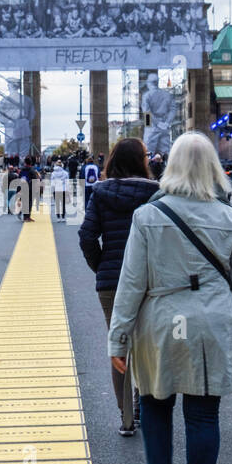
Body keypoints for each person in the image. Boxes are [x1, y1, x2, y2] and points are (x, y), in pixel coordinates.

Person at [107, 132, 232, 464]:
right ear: (212, 168)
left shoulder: (147, 217)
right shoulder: (230, 218)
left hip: (162, 319)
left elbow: (131, 283)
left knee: (157, 401)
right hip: (213, 321)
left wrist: (118, 338)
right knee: (203, 413)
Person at [79, 137, 159, 435]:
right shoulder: (157, 194)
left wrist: (100, 265)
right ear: (141, 161)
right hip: (150, 281)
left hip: (112, 281)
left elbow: (87, 235)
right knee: (148, 346)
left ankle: (126, 416)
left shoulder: (100, 192)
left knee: (119, 346)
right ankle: (144, 406)